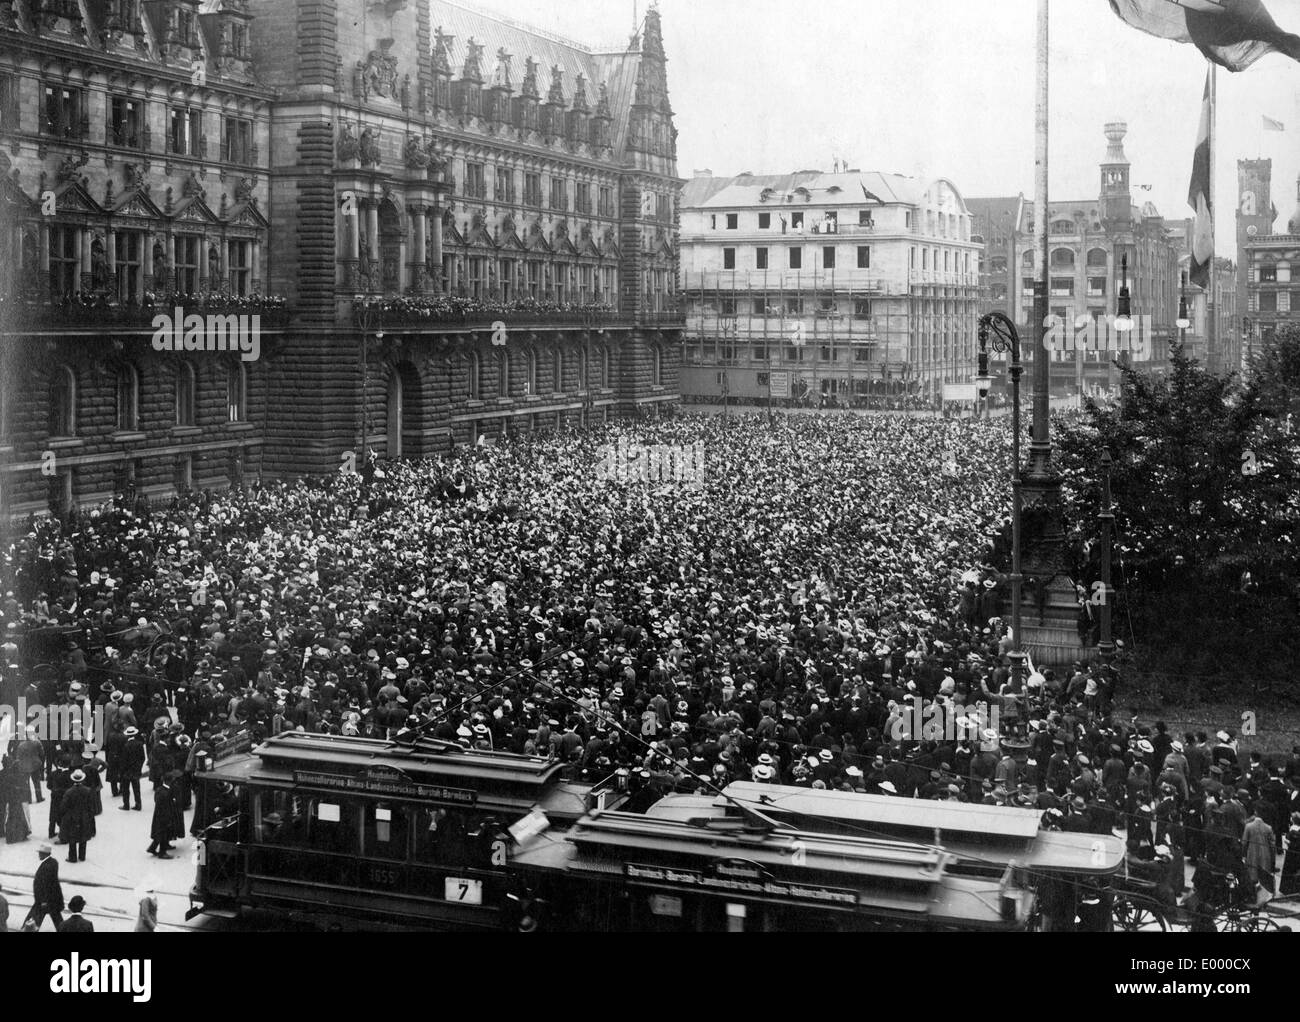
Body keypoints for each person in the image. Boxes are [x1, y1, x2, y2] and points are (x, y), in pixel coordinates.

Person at [59, 769, 96, 864]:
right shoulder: (87, 791)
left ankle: (72, 857)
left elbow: (63, 806)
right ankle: (82, 856)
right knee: (83, 836)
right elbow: (91, 806)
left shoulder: (69, 792)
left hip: (72, 817)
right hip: (84, 816)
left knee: (72, 837)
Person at [24, 844, 64, 931]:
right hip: (53, 899)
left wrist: (43, 900)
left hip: (44, 900)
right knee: (57, 919)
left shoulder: (46, 866)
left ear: (45, 854)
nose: (39, 855)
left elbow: (46, 885)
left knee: (33, 920)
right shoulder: (52, 862)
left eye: (40, 853)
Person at [1242, 801, 1277, 900]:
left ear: (1256, 813)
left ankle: (1253, 896)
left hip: (1252, 853)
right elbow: (1272, 846)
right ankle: (1265, 896)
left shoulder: (1249, 826)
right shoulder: (1268, 828)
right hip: (1265, 854)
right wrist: (1273, 859)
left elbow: (1244, 842)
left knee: (1252, 875)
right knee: (1264, 875)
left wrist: (1243, 854)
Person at [147, 772, 184, 858]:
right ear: (169, 781)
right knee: (164, 833)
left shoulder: (160, 789)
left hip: (159, 816)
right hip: (164, 817)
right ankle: (162, 853)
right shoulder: (166, 793)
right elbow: (166, 806)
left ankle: (152, 848)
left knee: (159, 833)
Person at [118, 727, 145, 811]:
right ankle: (138, 804)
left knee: (126, 789)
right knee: (136, 788)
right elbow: (143, 758)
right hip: (136, 770)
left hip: (127, 771)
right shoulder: (139, 744)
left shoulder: (126, 745)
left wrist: (122, 771)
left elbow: (123, 760)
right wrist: (139, 767)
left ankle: (126, 805)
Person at [1281, 812, 1300, 897]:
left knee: (1289, 870)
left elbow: (1289, 840)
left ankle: (1287, 889)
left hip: (1291, 854)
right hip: (1297, 854)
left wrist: (1287, 842)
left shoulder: (1292, 829)